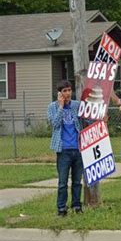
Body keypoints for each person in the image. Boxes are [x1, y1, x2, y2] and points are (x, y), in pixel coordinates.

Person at [47, 80, 84, 216]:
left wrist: (102, 118)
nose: (68, 93)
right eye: (65, 91)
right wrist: (61, 107)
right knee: (63, 182)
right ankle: (61, 208)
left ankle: (76, 206)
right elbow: (55, 124)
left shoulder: (76, 105)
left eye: (69, 90)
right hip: (63, 150)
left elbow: (87, 118)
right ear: (60, 93)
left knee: (77, 181)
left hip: (78, 148)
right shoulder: (52, 107)